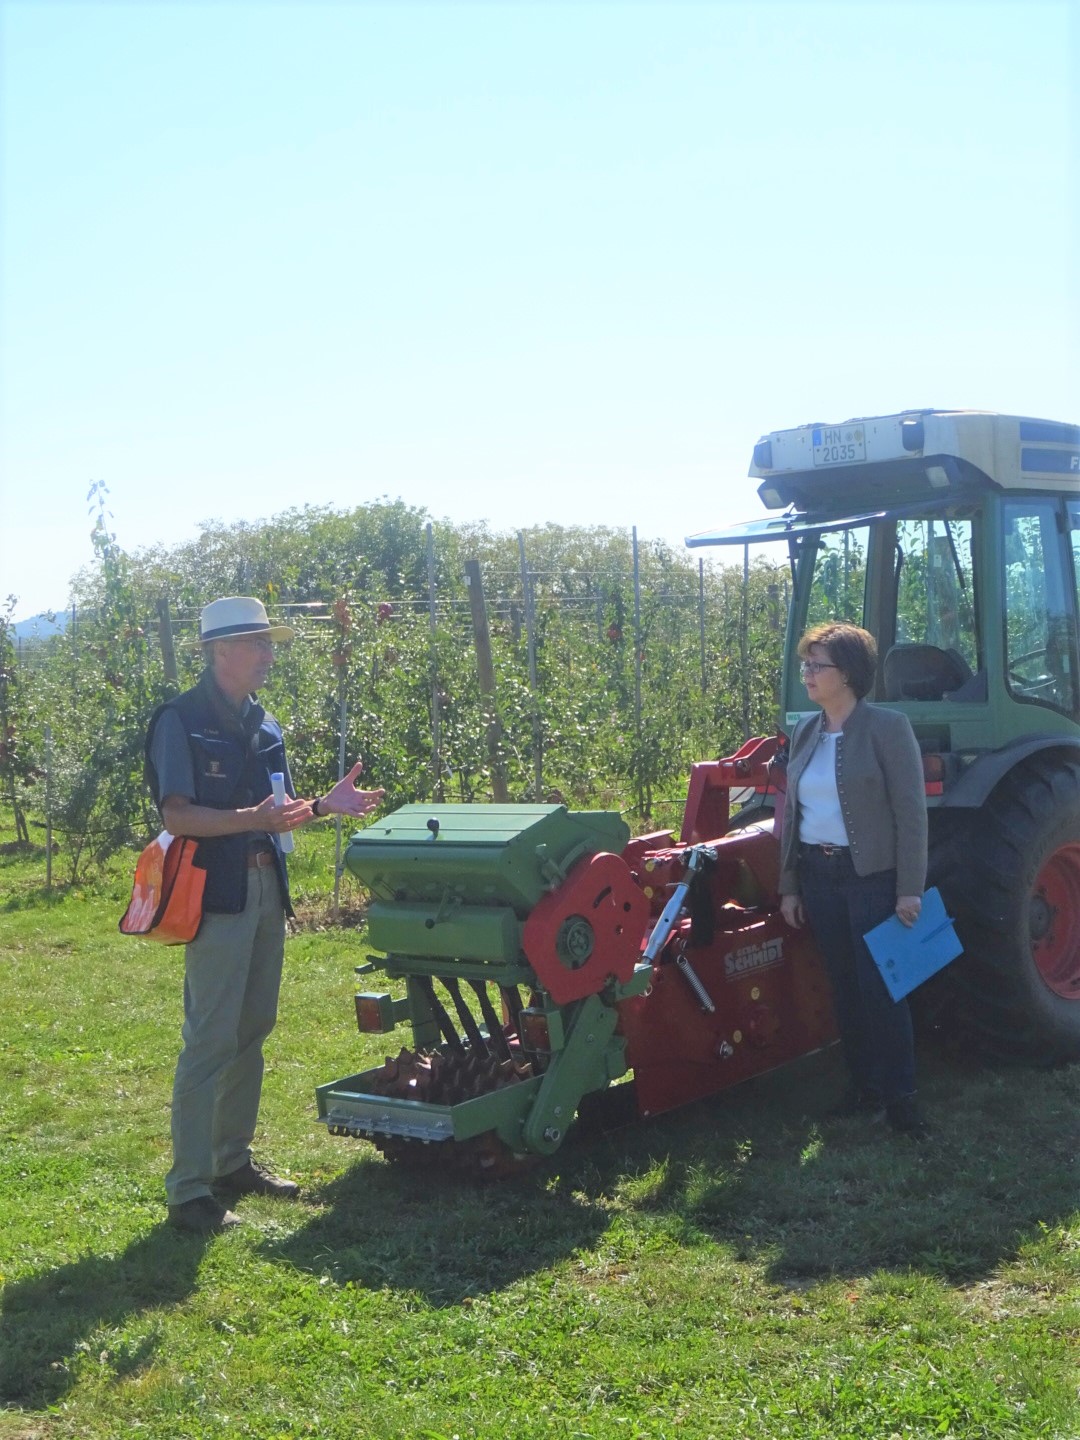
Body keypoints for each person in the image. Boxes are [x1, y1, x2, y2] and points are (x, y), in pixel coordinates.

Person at [145, 596, 384, 1233]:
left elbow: (277, 812)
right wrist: (253, 819)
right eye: (258, 645)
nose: (269, 656)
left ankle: (232, 1163)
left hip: (264, 893)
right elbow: (178, 816)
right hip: (215, 896)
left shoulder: (266, 723)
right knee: (209, 1041)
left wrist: (325, 807)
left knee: (252, 1031)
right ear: (220, 650)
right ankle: (189, 1191)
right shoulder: (180, 720)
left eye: (270, 644)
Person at [777, 622, 929, 1137]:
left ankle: (902, 1102)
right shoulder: (805, 731)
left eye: (817, 665)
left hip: (871, 878)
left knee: (882, 988)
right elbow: (790, 816)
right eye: (806, 664)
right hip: (819, 876)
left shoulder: (887, 728)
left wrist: (909, 886)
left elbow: (911, 814)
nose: (808, 674)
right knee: (844, 989)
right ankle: (863, 1090)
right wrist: (790, 884)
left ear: (848, 674)